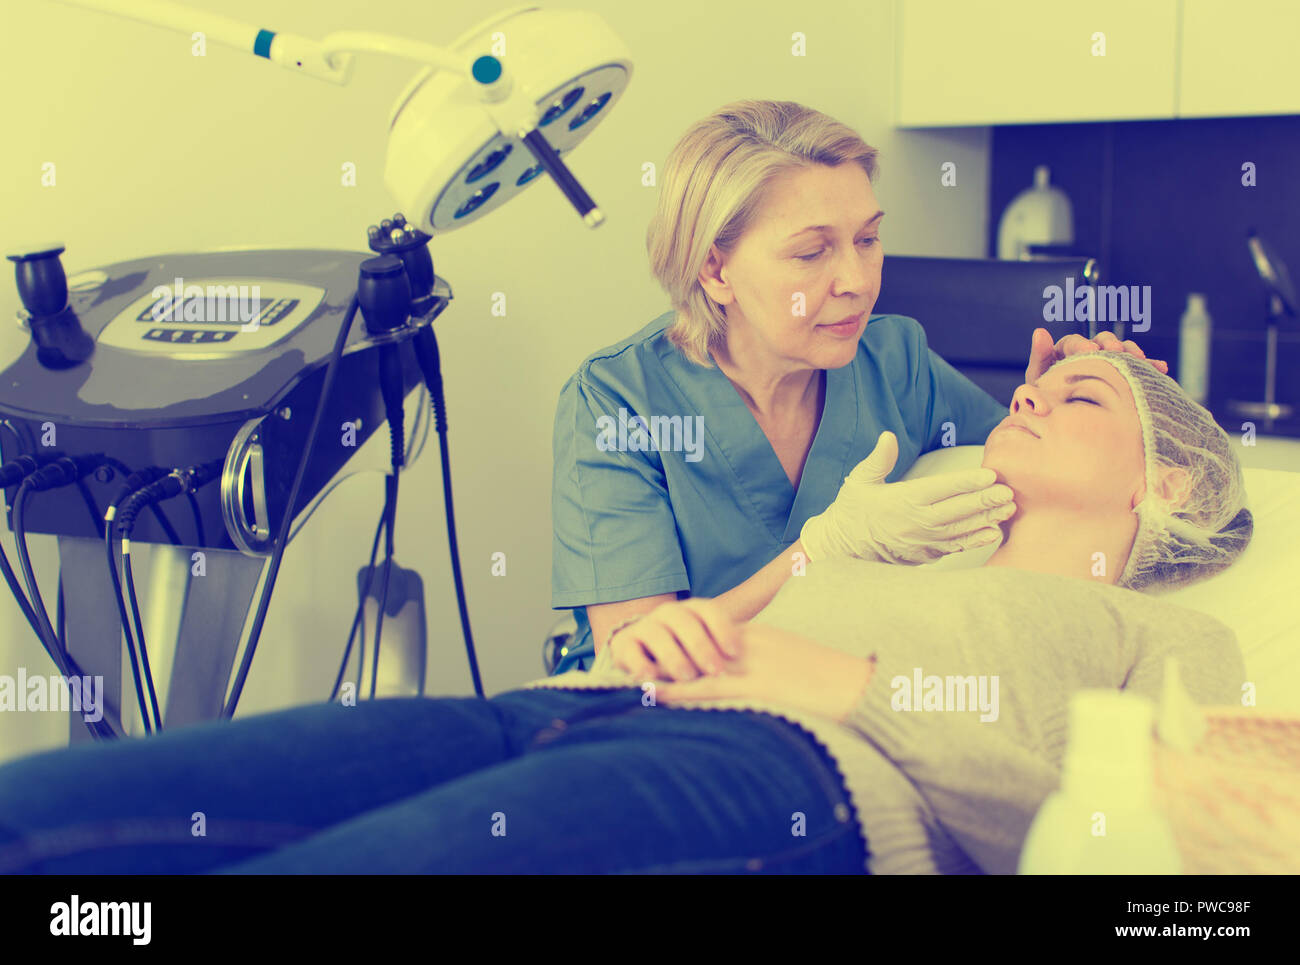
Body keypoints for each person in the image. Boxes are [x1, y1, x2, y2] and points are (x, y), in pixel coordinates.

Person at [0, 351, 1250, 874]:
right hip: (569, 704)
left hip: (791, 768)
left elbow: (1119, 860)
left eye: (1077, 398)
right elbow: (727, 622)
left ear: (1173, 482)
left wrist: (844, 691)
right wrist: (732, 604)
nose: (1028, 395)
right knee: (47, 826)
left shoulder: (1168, 635)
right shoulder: (907, 533)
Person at [550, 99, 1167, 675]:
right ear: (715, 269)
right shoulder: (620, 400)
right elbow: (636, 665)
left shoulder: (896, 363)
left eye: (867, 240)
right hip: (650, 719)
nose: (857, 280)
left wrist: (1063, 397)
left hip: (834, 706)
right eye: (812, 252)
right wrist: (819, 552)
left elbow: (1047, 468)